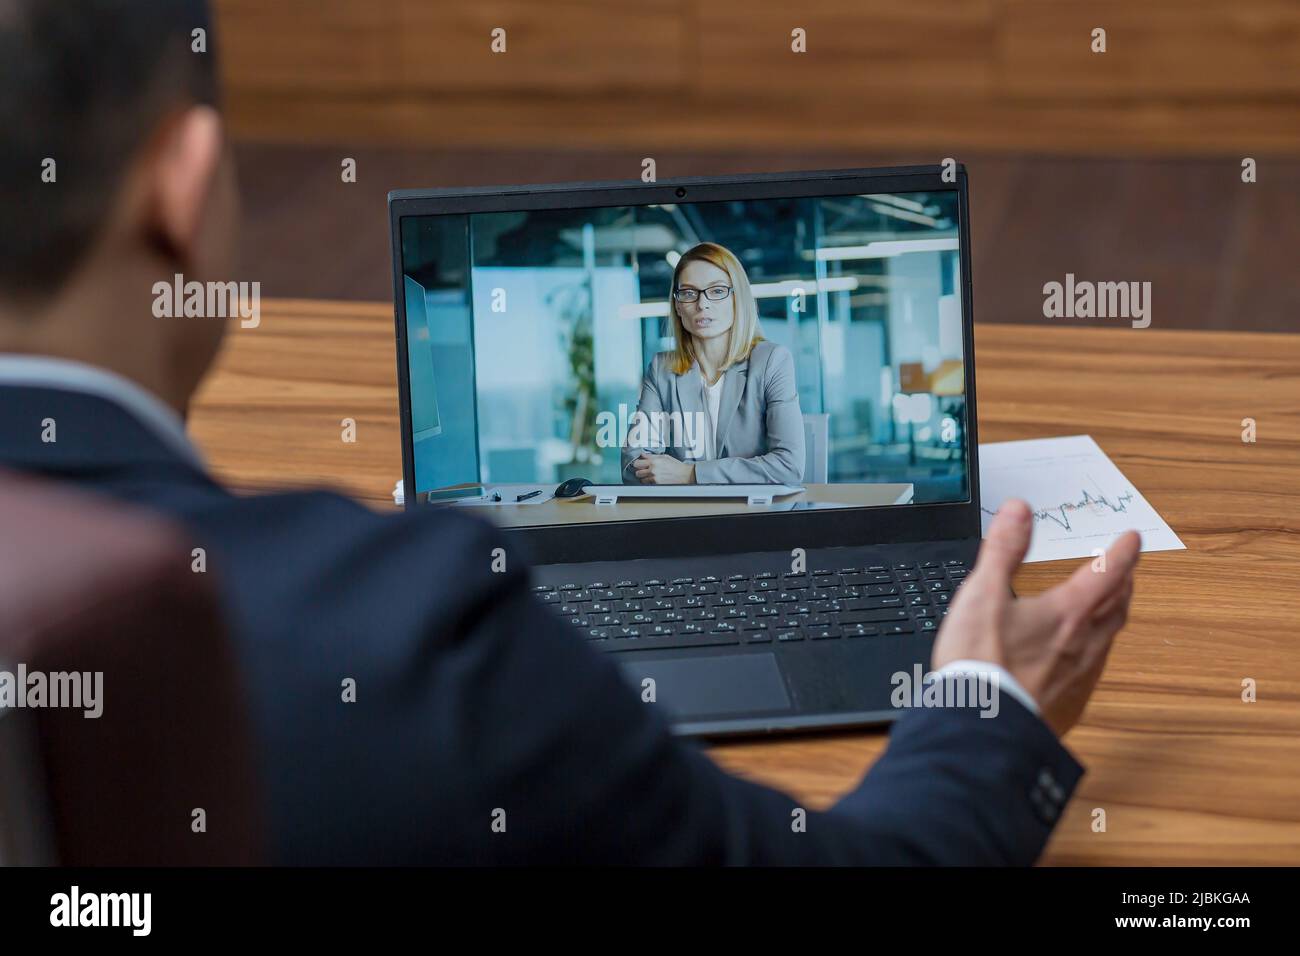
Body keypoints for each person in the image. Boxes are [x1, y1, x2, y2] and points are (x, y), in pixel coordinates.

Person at [0, 0, 1141, 864]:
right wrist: (986, 708)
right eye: (685, 296)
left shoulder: (768, 365)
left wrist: (683, 467)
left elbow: (774, 468)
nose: (696, 310)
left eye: (711, 295)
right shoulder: (408, 638)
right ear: (185, 187)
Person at [622, 242, 805, 485]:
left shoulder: (772, 361)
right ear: (677, 305)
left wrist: (690, 474)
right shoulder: (661, 369)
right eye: (689, 293)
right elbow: (631, 464)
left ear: (737, 299)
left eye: (717, 291)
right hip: (684, 508)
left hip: (752, 507)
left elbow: (789, 466)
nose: (702, 304)